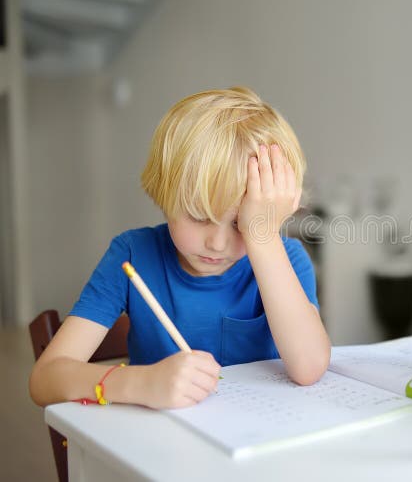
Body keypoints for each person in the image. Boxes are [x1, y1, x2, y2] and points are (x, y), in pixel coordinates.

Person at [29, 87, 330, 409]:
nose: (216, 242)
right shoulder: (132, 254)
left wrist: (263, 237)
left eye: (242, 223)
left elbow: (309, 368)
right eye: (200, 217)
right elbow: (44, 380)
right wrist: (138, 382)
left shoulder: (287, 258)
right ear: (165, 195)